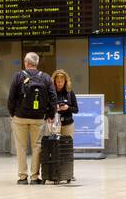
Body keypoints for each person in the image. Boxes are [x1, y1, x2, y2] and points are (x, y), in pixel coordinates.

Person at [6, 53, 55, 184]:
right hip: (38, 118)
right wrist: (50, 114)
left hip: (20, 117)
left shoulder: (18, 76)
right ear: (37, 63)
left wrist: (12, 113)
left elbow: (11, 97)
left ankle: (22, 177)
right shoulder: (45, 77)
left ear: (25, 62)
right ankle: (34, 177)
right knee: (37, 146)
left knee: (21, 147)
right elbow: (52, 97)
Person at [51, 70, 79, 143]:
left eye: (62, 81)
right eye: (58, 81)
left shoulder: (69, 93)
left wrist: (67, 108)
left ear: (65, 81)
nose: (60, 83)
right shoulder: (51, 93)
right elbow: (46, 108)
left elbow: (76, 110)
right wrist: (54, 108)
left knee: (67, 146)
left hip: (68, 124)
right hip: (54, 124)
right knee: (55, 146)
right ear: (54, 82)